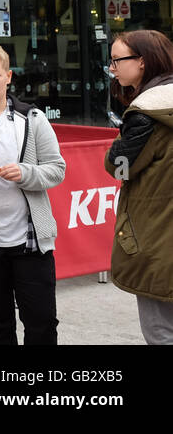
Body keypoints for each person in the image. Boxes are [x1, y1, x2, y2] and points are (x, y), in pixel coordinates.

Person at [0, 42, 65, 345]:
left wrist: (26, 173)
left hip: (30, 243)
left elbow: (57, 169)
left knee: (42, 322)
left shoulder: (32, 119)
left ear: (8, 77)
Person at [103, 29, 173, 344]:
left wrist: (122, 136)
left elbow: (118, 167)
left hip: (157, 239)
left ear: (141, 62)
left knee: (161, 332)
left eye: (117, 60)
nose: (112, 69)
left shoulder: (145, 114)